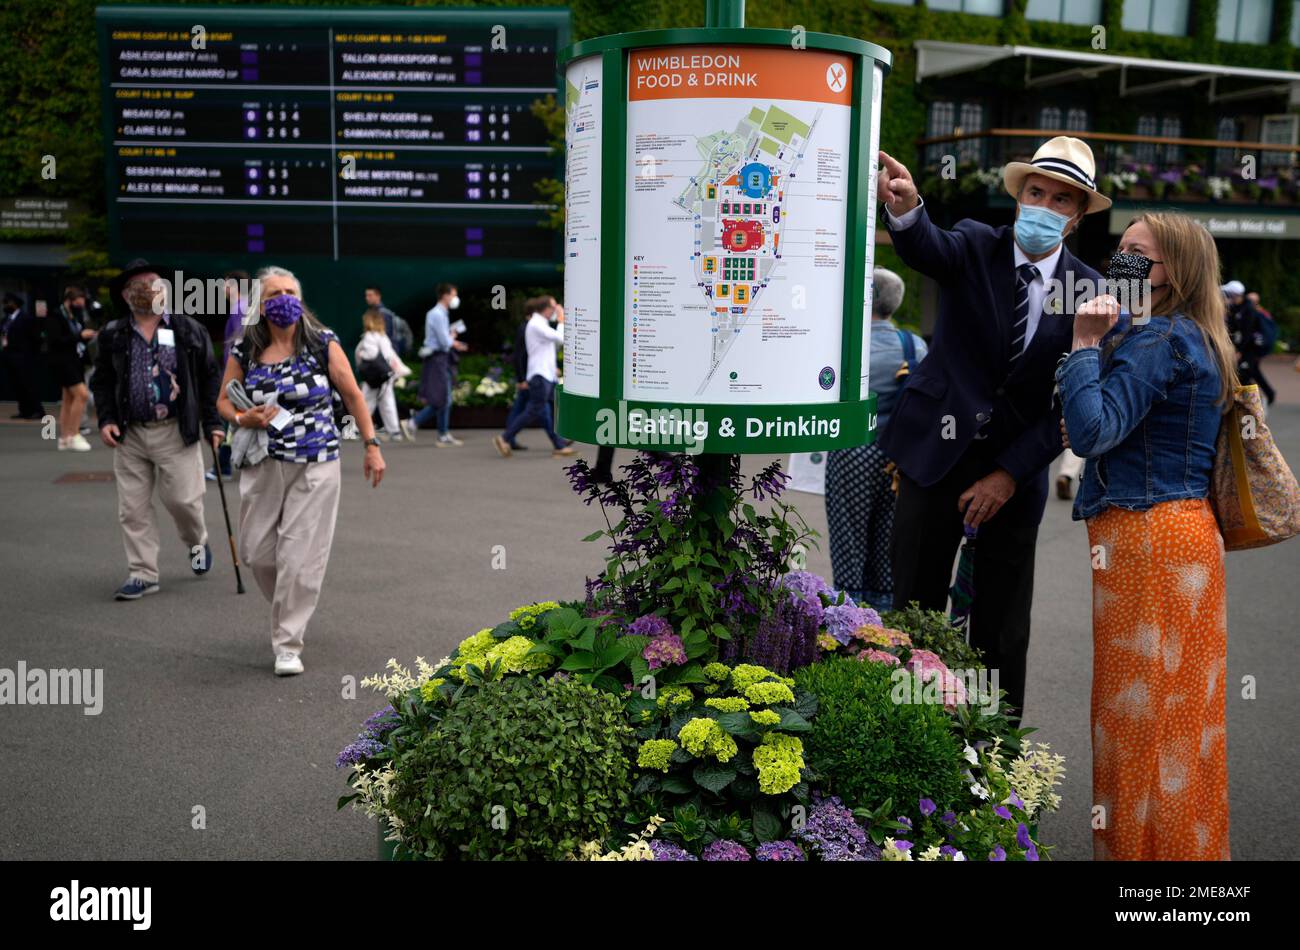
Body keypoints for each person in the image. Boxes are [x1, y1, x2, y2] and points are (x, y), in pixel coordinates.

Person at [876, 135, 1108, 719]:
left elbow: (1073, 404)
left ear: (1077, 216)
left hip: (1018, 470)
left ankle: (993, 756)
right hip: (935, 454)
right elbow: (927, 246)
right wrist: (905, 208)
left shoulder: (1092, 292)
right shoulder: (976, 243)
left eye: (1061, 199)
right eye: (1035, 192)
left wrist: (1008, 474)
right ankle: (910, 735)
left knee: (1001, 624)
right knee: (915, 612)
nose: (1044, 206)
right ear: (1018, 197)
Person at [1056, 212, 1237, 861]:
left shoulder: (1159, 340)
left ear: (1176, 272)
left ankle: (1137, 861)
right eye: (1120, 251)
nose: (1121, 264)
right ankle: (1185, 854)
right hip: (1185, 537)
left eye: (1140, 257)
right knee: (1185, 715)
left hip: (1147, 540)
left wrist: (1081, 344)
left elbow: (1093, 432)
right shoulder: (1194, 336)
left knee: (1137, 716)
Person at [217, 265, 386, 676]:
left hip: (315, 460)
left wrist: (371, 446)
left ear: (301, 296)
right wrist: (242, 419)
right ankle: (292, 606)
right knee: (258, 553)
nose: (283, 298)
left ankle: (288, 644)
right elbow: (223, 401)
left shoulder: (321, 342)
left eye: (290, 291)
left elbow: (352, 395)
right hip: (262, 460)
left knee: (298, 557)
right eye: (273, 294)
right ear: (260, 303)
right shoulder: (245, 347)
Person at [91, 260, 224, 600]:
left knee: (183, 502)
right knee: (132, 508)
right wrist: (106, 419)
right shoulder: (112, 334)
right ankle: (143, 573)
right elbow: (103, 381)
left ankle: (198, 543)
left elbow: (210, 376)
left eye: (152, 282)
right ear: (124, 295)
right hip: (130, 432)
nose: (146, 288)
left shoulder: (189, 330)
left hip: (176, 430)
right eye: (137, 285)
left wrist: (213, 422)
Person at [824, 268, 927, 609]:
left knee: (848, 533)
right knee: (887, 535)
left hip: (852, 449)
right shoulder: (914, 345)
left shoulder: (846, 342)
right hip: (897, 455)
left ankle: (848, 609)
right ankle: (883, 611)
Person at [494, 296, 576, 458]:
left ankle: (559, 444)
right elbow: (561, 338)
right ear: (546, 309)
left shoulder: (539, 324)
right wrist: (561, 320)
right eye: (554, 307)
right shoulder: (536, 324)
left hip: (545, 375)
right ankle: (504, 438)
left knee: (546, 410)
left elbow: (550, 346)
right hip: (540, 376)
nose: (557, 309)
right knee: (534, 410)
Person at [207, 270, 250, 480]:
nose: (222, 288)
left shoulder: (241, 309)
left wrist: (234, 377)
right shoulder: (241, 307)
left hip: (235, 376)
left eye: (225, 284)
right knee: (232, 420)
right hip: (235, 375)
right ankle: (223, 465)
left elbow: (241, 345)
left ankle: (222, 466)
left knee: (229, 419)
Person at [412, 282, 466, 446]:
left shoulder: (440, 313)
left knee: (444, 397)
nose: (455, 298)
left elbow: (443, 339)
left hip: (440, 358)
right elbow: (443, 342)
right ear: (445, 295)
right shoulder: (437, 314)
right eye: (453, 295)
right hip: (437, 359)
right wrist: (453, 341)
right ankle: (414, 422)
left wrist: (451, 340)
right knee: (442, 398)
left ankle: (442, 434)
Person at [45, 286, 97, 451]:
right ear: (70, 300)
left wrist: (85, 336)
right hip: (62, 361)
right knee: (81, 394)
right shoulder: (55, 315)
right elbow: (55, 340)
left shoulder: (76, 315)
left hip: (75, 360)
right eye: (79, 301)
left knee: (68, 398)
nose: (81, 305)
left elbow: (76, 337)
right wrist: (79, 336)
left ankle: (65, 437)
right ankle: (74, 434)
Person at [355, 306, 415, 442]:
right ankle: (394, 431)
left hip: (373, 376)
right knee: (387, 403)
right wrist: (400, 370)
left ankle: (359, 429)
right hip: (385, 375)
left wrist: (361, 354)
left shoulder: (369, 337)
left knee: (365, 402)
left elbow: (371, 354)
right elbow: (390, 356)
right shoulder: (383, 337)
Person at [1223, 281, 1275, 406]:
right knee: (1251, 372)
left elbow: (1246, 333)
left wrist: (1239, 351)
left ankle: (1252, 403)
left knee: (1244, 374)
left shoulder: (1248, 310)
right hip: (1246, 348)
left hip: (1250, 349)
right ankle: (1266, 395)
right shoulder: (1238, 308)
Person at [1, 293, 47, 420]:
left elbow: (36, 338)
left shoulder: (26, 318)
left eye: (8, 303)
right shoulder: (6, 320)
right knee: (17, 385)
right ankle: (24, 410)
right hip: (10, 355)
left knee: (29, 385)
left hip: (24, 356)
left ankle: (38, 410)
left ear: (15, 304)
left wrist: (31, 354)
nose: (5, 306)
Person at [364, 284, 412, 357]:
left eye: (370, 295)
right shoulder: (372, 312)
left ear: (378, 296)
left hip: (386, 354)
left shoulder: (384, 314)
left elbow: (386, 336)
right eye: (366, 295)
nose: (367, 298)